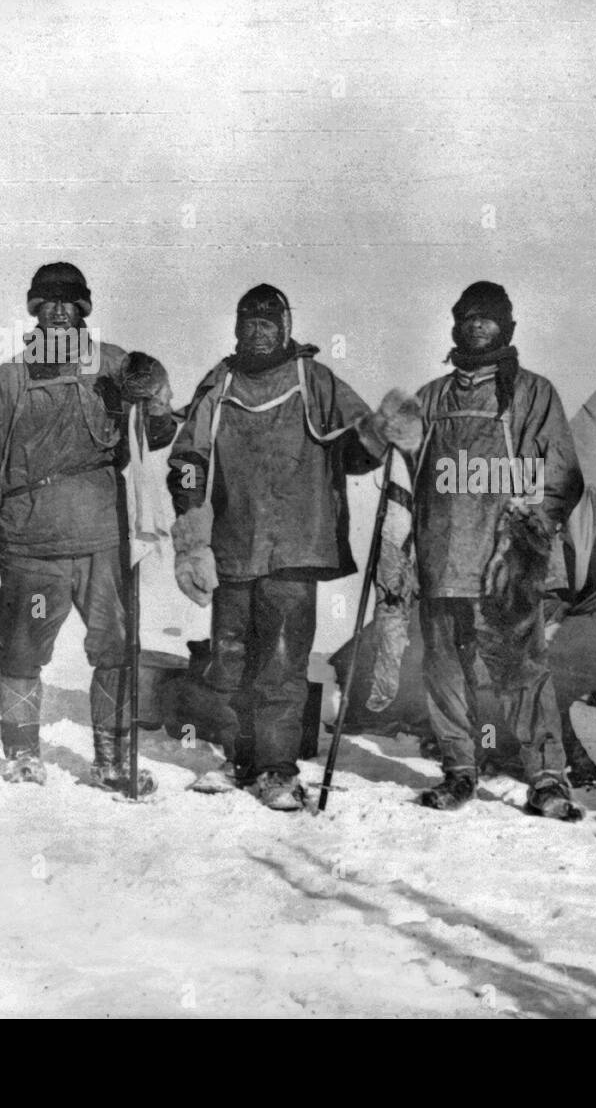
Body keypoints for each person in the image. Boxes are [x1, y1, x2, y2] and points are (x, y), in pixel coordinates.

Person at [167, 284, 413, 811]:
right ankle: (239, 760)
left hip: (297, 544)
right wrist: (190, 524)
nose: (257, 331)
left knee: (280, 663)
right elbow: (189, 457)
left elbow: (352, 452)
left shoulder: (313, 380)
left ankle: (277, 770)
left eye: (267, 322)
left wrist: (379, 432)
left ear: (285, 326)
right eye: (248, 321)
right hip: (233, 545)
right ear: (236, 327)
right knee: (229, 660)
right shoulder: (221, 382)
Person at [0, 262, 175, 792]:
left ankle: (111, 759)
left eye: (69, 302)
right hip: (31, 544)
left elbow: (158, 434)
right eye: (47, 302)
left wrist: (154, 397)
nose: (58, 311)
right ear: (34, 310)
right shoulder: (10, 377)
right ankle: (23, 754)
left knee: (116, 647)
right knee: (20, 649)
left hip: (103, 539)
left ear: (84, 309)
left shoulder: (114, 365)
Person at [410, 281, 584, 818]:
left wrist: (526, 533)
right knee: (443, 668)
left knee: (521, 672)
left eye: (488, 318)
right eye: (468, 316)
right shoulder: (432, 397)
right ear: (455, 324)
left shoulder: (532, 393)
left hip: (504, 560)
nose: (476, 325)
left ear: (507, 327)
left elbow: (562, 475)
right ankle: (460, 769)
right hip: (442, 556)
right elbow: (402, 476)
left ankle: (548, 777)